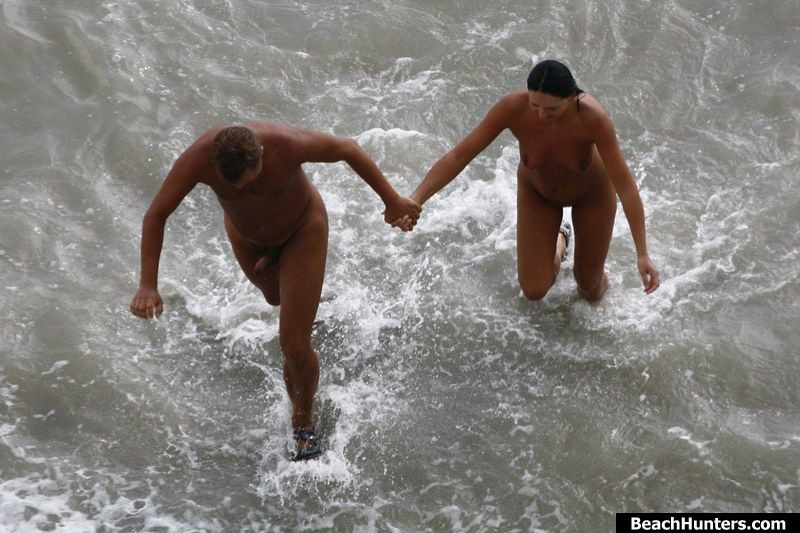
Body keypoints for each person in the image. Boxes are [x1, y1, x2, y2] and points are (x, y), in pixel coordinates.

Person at [130, 121, 421, 461]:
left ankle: (303, 426)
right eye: (233, 186)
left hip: (301, 229)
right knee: (276, 299)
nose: (244, 190)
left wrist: (392, 200)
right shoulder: (197, 159)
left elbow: (348, 149)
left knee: (293, 344)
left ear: (262, 155)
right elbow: (156, 214)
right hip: (247, 239)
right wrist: (147, 284)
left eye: (250, 181)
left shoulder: (287, 144)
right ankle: (300, 293)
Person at [401, 59, 659, 300]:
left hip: (591, 194)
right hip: (538, 191)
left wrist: (643, 254)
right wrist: (416, 199)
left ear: (571, 97)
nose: (541, 115)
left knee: (588, 286)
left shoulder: (594, 119)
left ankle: (598, 279)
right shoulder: (512, 107)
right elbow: (459, 156)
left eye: (552, 109)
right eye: (536, 105)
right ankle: (561, 239)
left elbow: (626, 188)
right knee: (534, 290)